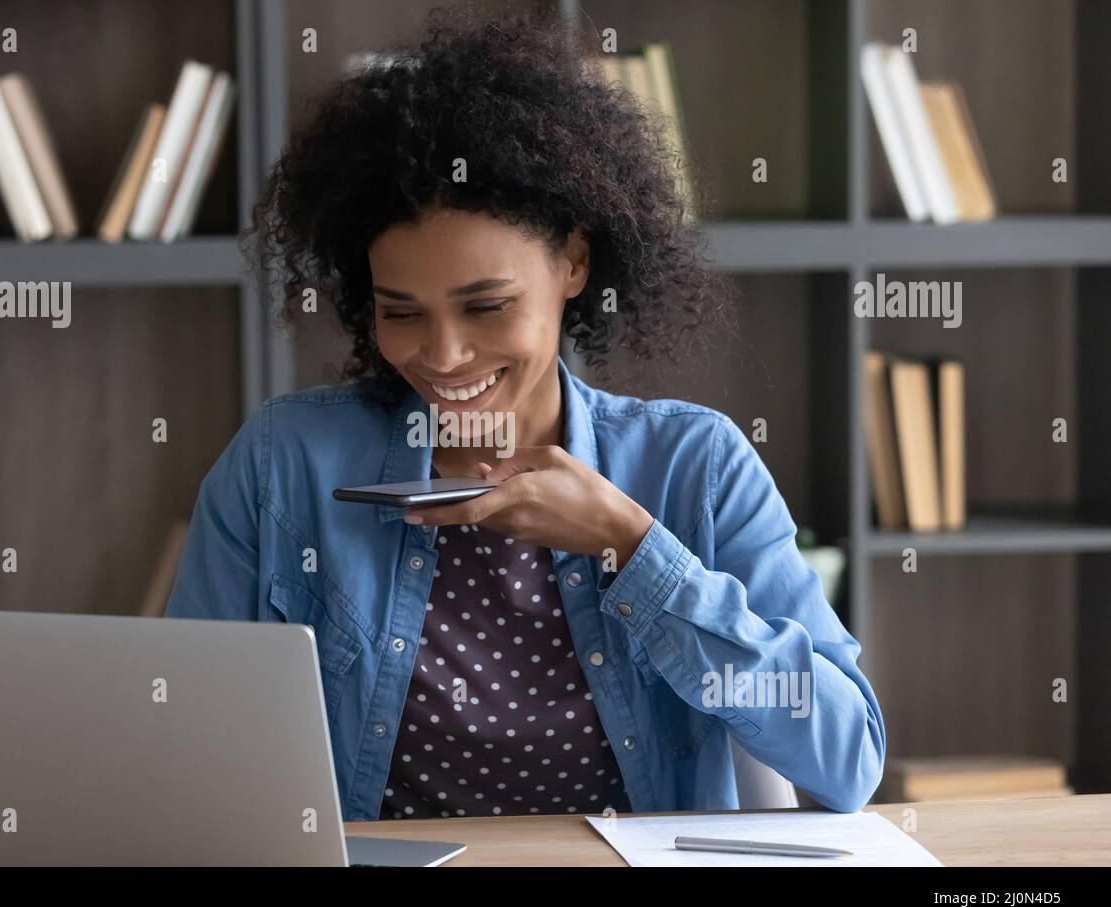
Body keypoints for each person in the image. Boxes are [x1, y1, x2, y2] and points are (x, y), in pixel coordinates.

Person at [166, 3, 885, 821]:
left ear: (575, 261)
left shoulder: (697, 468)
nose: (441, 357)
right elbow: (184, 743)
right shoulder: (282, 464)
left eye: (485, 307)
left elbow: (847, 758)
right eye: (401, 312)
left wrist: (634, 548)